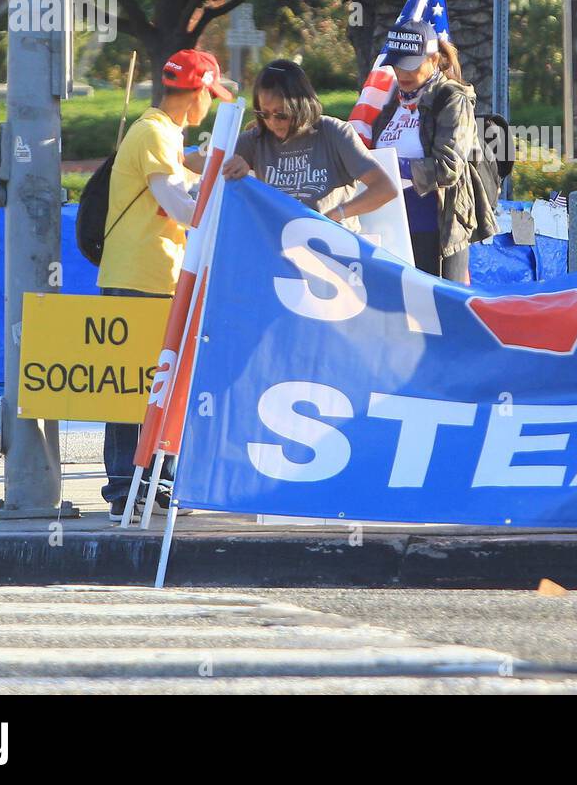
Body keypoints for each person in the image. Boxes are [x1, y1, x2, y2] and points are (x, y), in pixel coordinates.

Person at [98, 48, 233, 521]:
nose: (210, 106)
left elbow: (184, 171)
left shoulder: (165, 135)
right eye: (209, 96)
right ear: (196, 94)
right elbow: (181, 208)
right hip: (140, 277)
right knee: (129, 388)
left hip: (158, 274)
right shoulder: (153, 133)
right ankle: (122, 488)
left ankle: (156, 482)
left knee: (160, 386)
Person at [367, 19, 495, 282]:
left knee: (438, 315)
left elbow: (449, 167)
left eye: (410, 66)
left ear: (434, 59)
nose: (402, 73)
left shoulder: (451, 98)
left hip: (437, 228)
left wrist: (391, 164)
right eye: (396, 65)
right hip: (389, 227)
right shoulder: (392, 103)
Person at [220, 59, 397, 223]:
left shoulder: (334, 133)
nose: (273, 122)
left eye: (281, 114)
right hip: (278, 242)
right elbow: (204, 162)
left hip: (331, 243)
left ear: (302, 106)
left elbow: (385, 189)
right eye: (264, 114)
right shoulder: (257, 138)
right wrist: (229, 164)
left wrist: (337, 214)